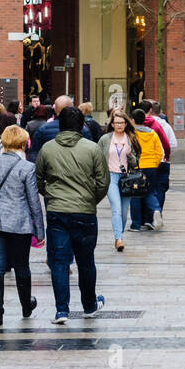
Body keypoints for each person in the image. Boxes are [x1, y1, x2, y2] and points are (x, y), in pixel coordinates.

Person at [35, 106, 110, 323]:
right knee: (86, 261)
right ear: (81, 125)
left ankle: (61, 310)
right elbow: (103, 182)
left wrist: (51, 197)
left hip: (57, 211)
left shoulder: (47, 149)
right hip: (84, 212)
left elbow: (39, 180)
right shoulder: (92, 149)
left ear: (60, 124)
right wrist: (90, 199)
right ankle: (89, 305)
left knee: (59, 261)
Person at [0, 125, 45, 326]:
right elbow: (34, 202)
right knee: (22, 265)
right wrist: (40, 231)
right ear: (23, 143)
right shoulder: (27, 167)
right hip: (19, 224)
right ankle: (25, 305)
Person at [98, 110, 141, 252]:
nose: (119, 125)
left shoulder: (131, 138)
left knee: (123, 211)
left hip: (127, 178)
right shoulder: (105, 139)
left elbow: (136, 162)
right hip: (111, 177)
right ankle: (119, 239)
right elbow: (98, 158)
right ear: (112, 124)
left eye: (122, 123)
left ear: (126, 124)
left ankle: (119, 234)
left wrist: (129, 155)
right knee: (116, 209)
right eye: (116, 122)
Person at [129, 108, 164, 231]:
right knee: (150, 192)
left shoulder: (131, 134)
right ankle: (156, 210)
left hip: (137, 167)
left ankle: (136, 225)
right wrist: (155, 163)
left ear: (132, 120)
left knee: (135, 195)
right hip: (151, 167)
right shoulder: (152, 133)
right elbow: (159, 152)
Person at [28, 95, 91, 163]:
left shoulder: (43, 130)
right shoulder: (83, 130)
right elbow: (90, 154)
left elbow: (34, 155)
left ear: (55, 109)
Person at [145, 100, 177, 209]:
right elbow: (173, 144)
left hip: (148, 161)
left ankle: (150, 214)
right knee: (161, 188)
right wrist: (166, 154)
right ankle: (158, 211)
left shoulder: (144, 124)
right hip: (163, 161)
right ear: (160, 112)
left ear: (149, 111)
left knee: (148, 189)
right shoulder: (166, 126)